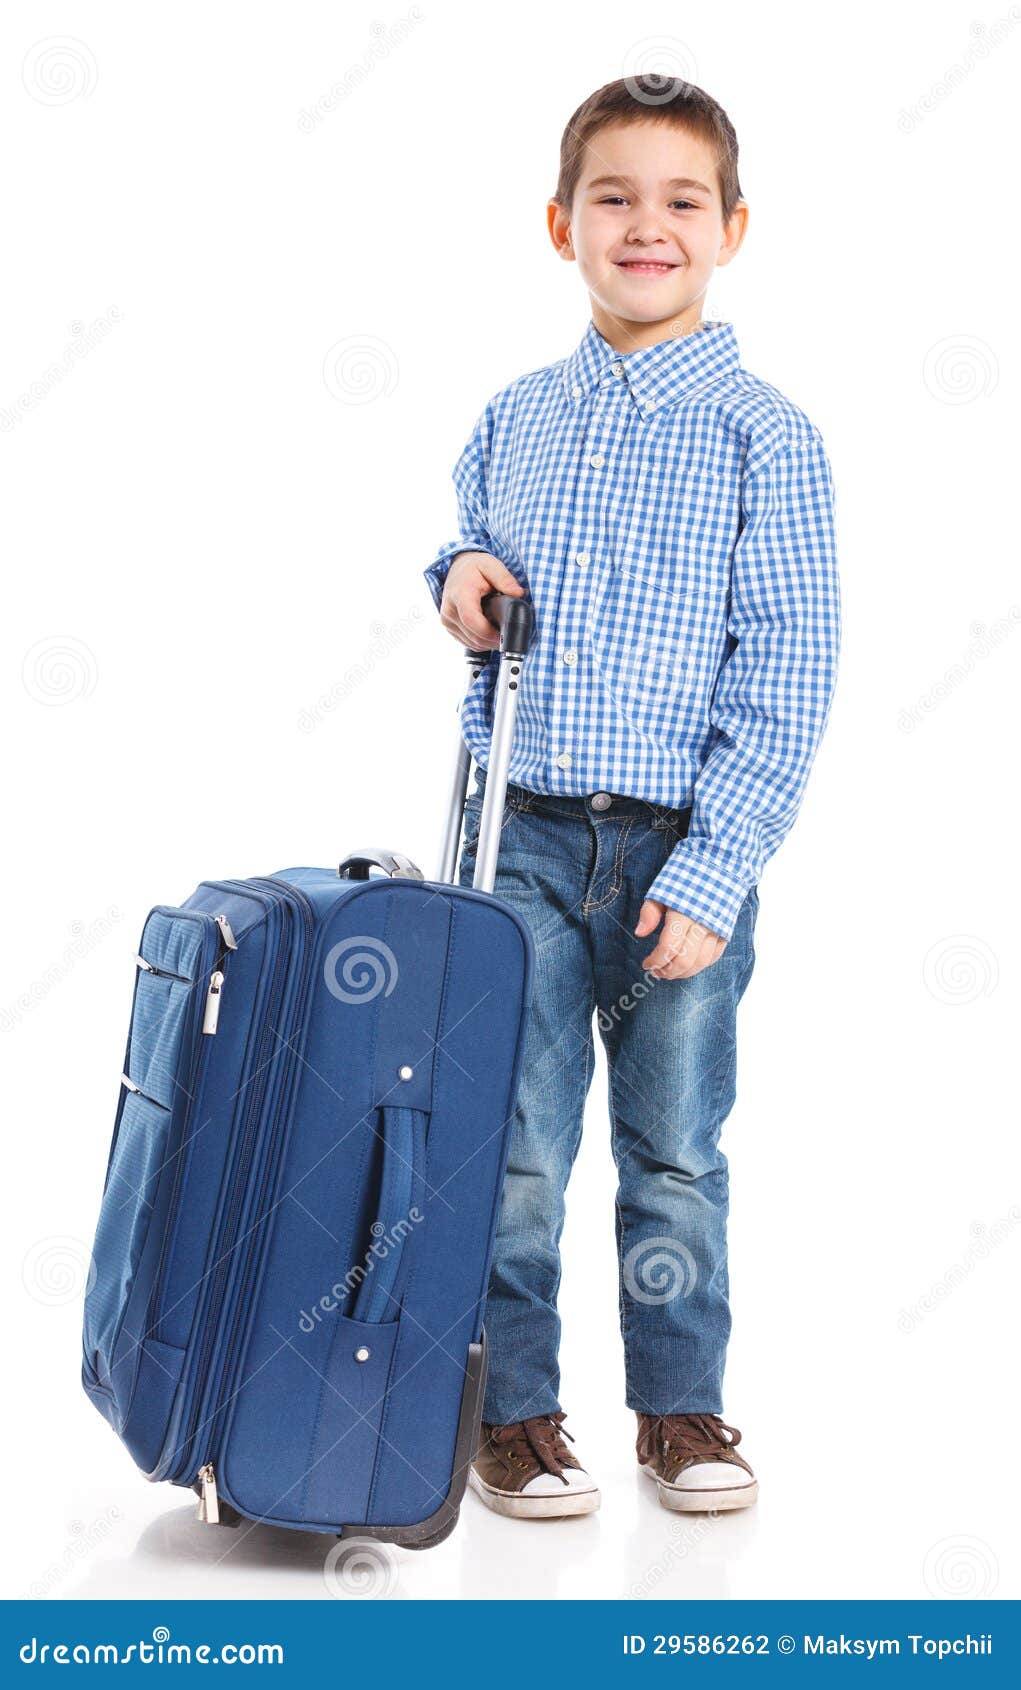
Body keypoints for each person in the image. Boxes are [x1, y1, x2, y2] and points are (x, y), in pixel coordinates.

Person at [423, 75, 841, 1520]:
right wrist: (458, 586)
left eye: (679, 201)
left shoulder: (765, 439)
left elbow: (787, 669)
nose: (643, 224)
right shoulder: (513, 415)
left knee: (671, 1146)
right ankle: (517, 1414)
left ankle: (679, 1409)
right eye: (612, 196)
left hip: (679, 851)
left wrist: (717, 868)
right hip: (521, 840)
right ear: (560, 224)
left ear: (730, 229)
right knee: (514, 1140)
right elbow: (470, 554)